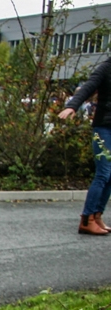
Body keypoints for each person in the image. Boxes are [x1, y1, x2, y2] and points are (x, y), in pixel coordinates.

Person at [58, 55, 110, 236]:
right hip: (104, 128)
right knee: (104, 173)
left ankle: (97, 216)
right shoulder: (105, 67)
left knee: (110, 175)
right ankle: (86, 219)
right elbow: (87, 87)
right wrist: (72, 106)